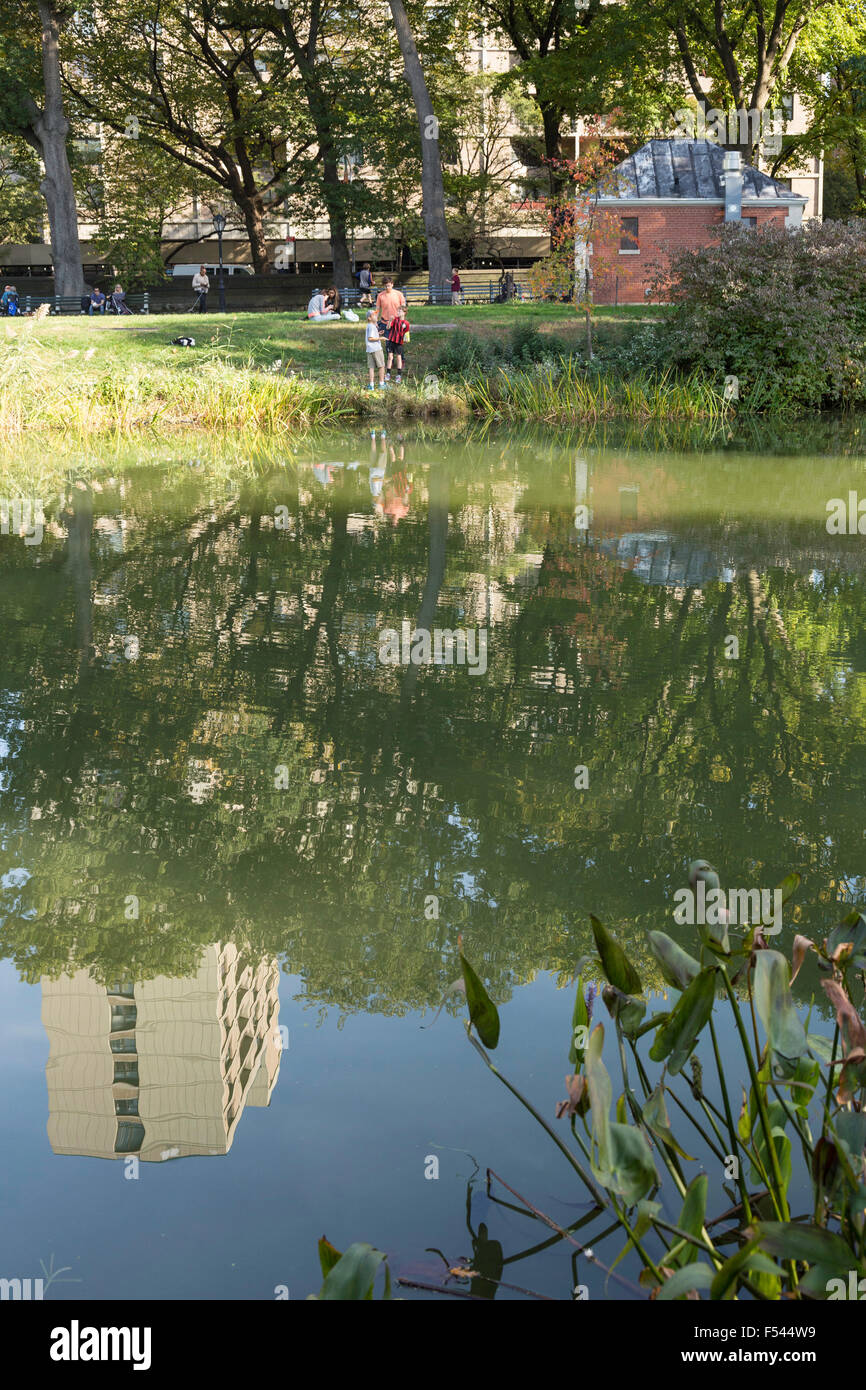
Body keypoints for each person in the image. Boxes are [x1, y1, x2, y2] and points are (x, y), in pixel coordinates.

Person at [385, 308, 409, 385]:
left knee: (399, 357)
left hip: (399, 343)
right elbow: (388, 328)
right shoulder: (395, 320)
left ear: (404, 313)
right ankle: (388, 373)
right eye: (397, 311)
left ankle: (399, 375)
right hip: (391, 341)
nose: (398, 312)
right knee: (390, 357)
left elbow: (406, 334)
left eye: (400, 311)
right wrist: (390, 321)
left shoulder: (406, 323)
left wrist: (406, 339)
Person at [365, 309, 386, 391]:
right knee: (381, 366)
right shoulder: (372, 326)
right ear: (369, 318)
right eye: (374, 315)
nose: (376, 316)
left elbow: (372, 336)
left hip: (370, 349)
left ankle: (371, 385)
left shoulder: (370, 326)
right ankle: (381, 384)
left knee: (371, 367)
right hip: (376, 349)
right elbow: (370, 338)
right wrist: (380, 338)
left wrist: (378, 333)